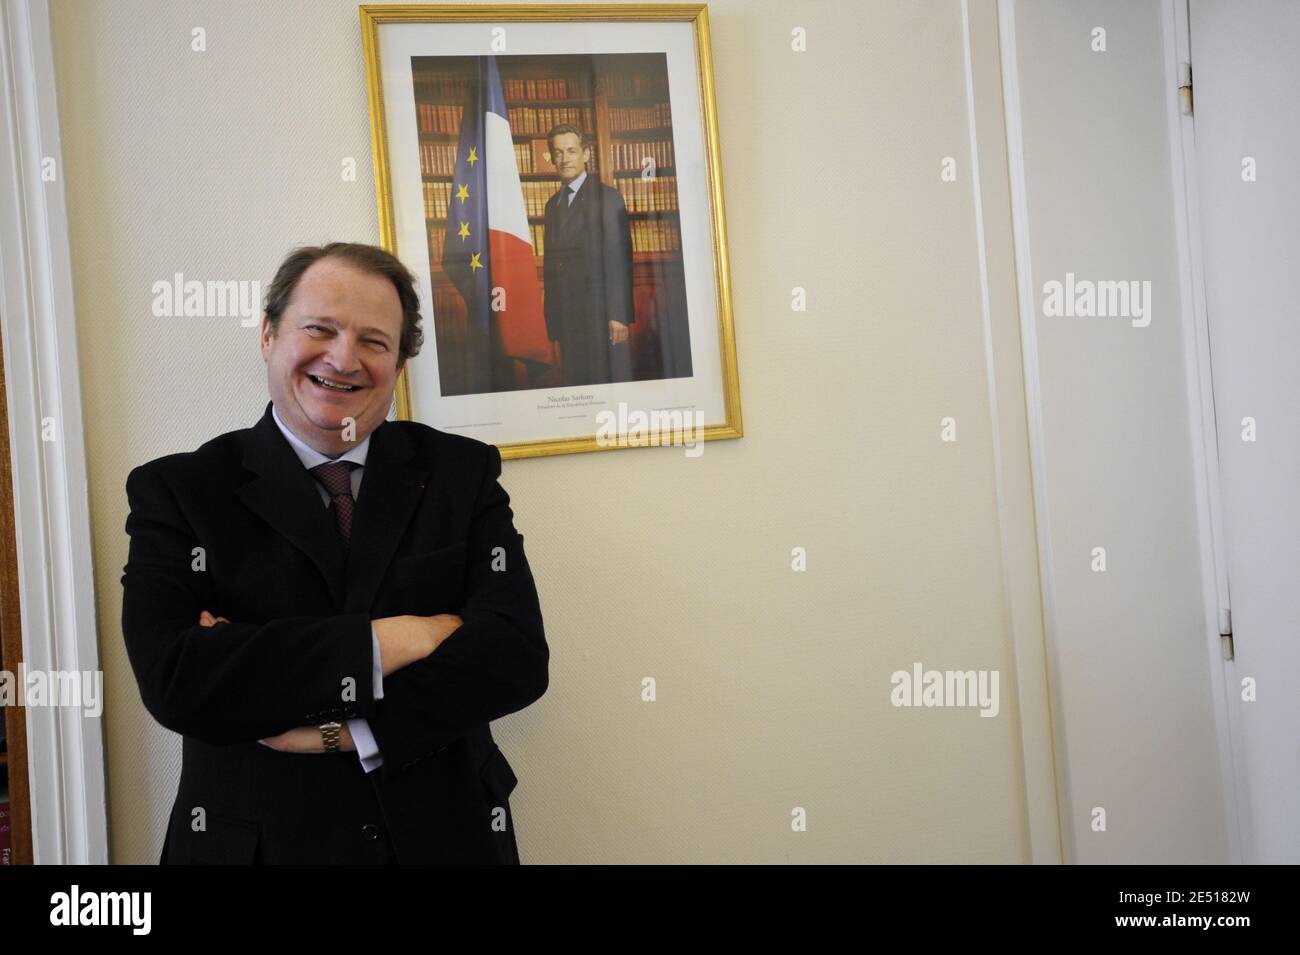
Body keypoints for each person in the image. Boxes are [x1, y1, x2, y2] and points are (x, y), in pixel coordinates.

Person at [120, 242, 548, 864]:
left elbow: (516, 657)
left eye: (374, 341)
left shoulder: (461, 473)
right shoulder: (179, 491)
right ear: (268, 336)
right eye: (319, 329)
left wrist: (348, 733)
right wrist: (407, 636)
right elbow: (178, 680)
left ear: (398, 366)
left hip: (445, 840)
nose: (344, 358)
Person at [542, 123, 635, 385]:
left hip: (600, 315)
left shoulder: (608, 197)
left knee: (605, 388)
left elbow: (619, 259)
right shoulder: (552, 205)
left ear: (586, 154)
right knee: (577, 387)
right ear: (552, 159)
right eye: (558, 153)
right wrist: (552, 318)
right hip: (566, 315)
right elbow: (551, 266)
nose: (565, 159)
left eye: (571, 151)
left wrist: (618, 315)